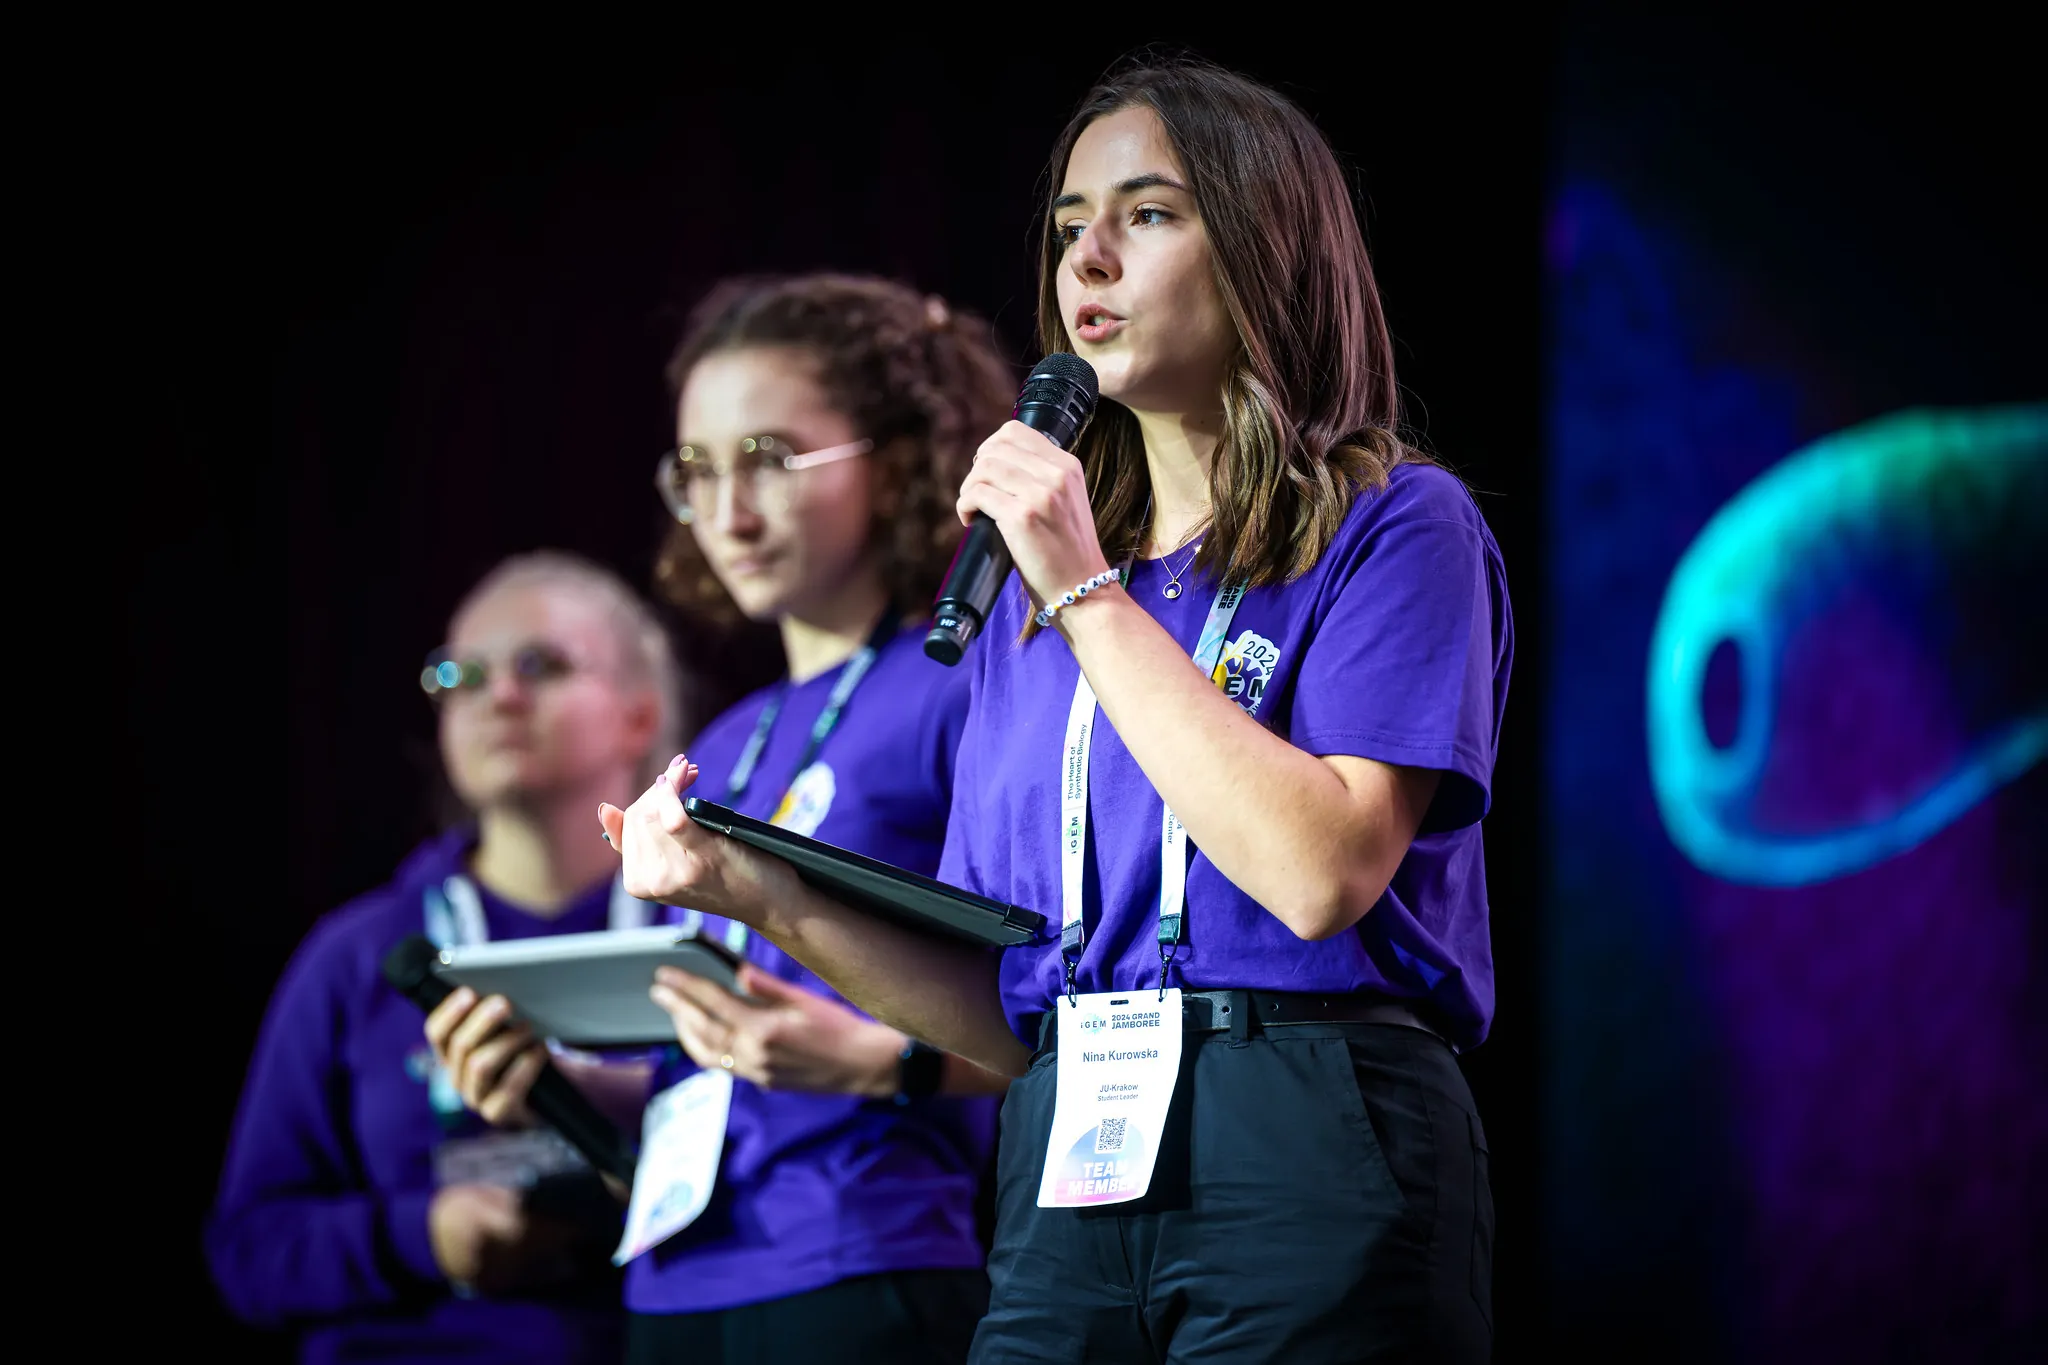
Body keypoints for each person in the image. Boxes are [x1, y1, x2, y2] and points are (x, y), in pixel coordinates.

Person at [602, 60, 1513, 1365]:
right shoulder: (1035, 601)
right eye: (1069, 221)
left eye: (1147, 212)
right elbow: (997, 1006)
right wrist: (741, 883)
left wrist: (1084, 585)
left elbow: (1322, 871)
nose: (1088, 251)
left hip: (1311, 1122)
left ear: (1263, 244)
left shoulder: (1394, 523)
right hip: (1069, 1145)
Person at [430, 274, 1021, 1364]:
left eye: (769, 460)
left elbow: (1064, 1009)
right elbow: (704, 1061)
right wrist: (550, 1076)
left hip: (869, 1256)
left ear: (892, 461)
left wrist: (876, 1059)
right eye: (697, 471)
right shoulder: (735, 733)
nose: (727, 513)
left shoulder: (965, 684)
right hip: (673, 1277)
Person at [208, 551, 684, 1363]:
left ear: (640, 714)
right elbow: (249, 1250)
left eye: (540, 664)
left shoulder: (711, 931)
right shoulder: (358, 954)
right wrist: (420, 1235)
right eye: (460, 673)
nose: (498, 695)